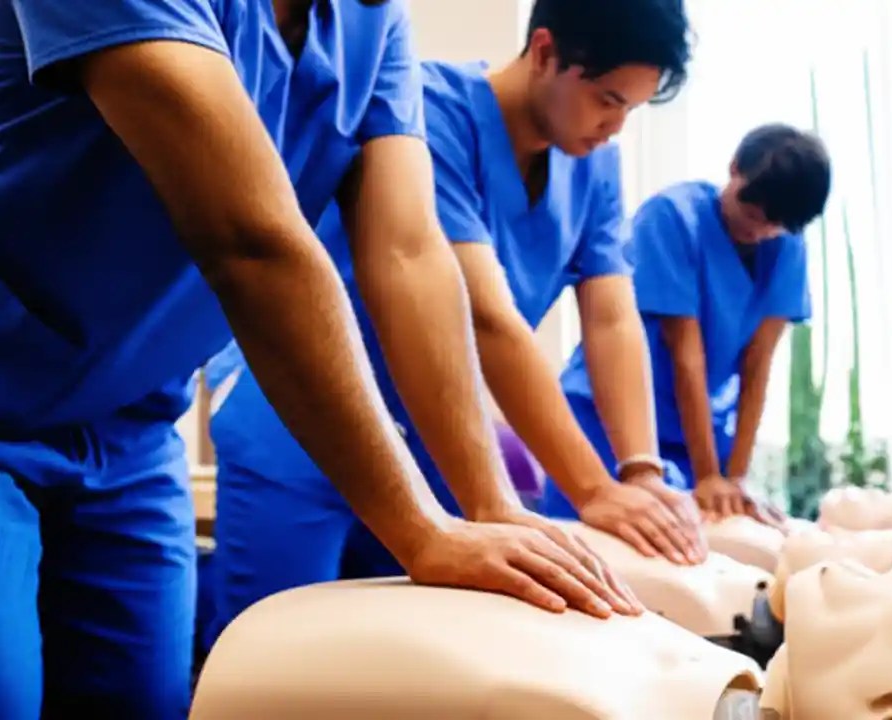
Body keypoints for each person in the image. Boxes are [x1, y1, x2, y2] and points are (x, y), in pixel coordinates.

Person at [0, 1, 623, 717]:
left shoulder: (372, 25)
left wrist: (488, 505)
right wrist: (421, 528)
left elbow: (410, 252)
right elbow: (251, 242)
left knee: (143, 699)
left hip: (132, 429)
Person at [207, 0, 704, 645]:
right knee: (275, 663)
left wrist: (639, 471)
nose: (616, 126)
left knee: (419, 667)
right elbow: (486, 318)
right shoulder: (430, 106)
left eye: (632, 109)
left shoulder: (593, 163)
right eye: (608, 99)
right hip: (301, 427)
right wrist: (591, 488)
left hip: (431, 444)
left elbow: (612, 318)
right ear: (546, 52)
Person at [546, 124, 831, 527]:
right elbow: (686, 356)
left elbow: (758, 364)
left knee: (703, 532)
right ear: (734, 169)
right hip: (607, 415)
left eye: (773, 227)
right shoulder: (673, 217)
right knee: (594, 542)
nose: (758, 231)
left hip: (695, 429)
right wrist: (708, 476)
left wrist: (734, 478)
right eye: (750, 213)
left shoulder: (786, 246)